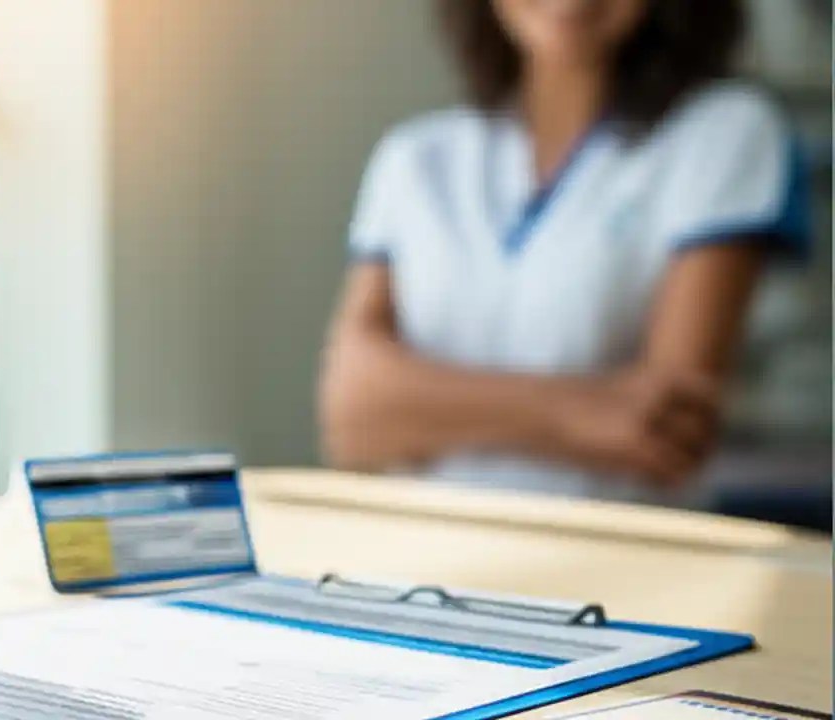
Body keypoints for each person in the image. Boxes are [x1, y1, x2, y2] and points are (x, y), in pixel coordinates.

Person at [318, 0, 809, 503]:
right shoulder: (417, 157)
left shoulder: (726, 132)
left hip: (614, 569)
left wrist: (417, 406)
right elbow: (351, 421)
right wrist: (588, 411)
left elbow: (666, 432)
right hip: (413, 567)